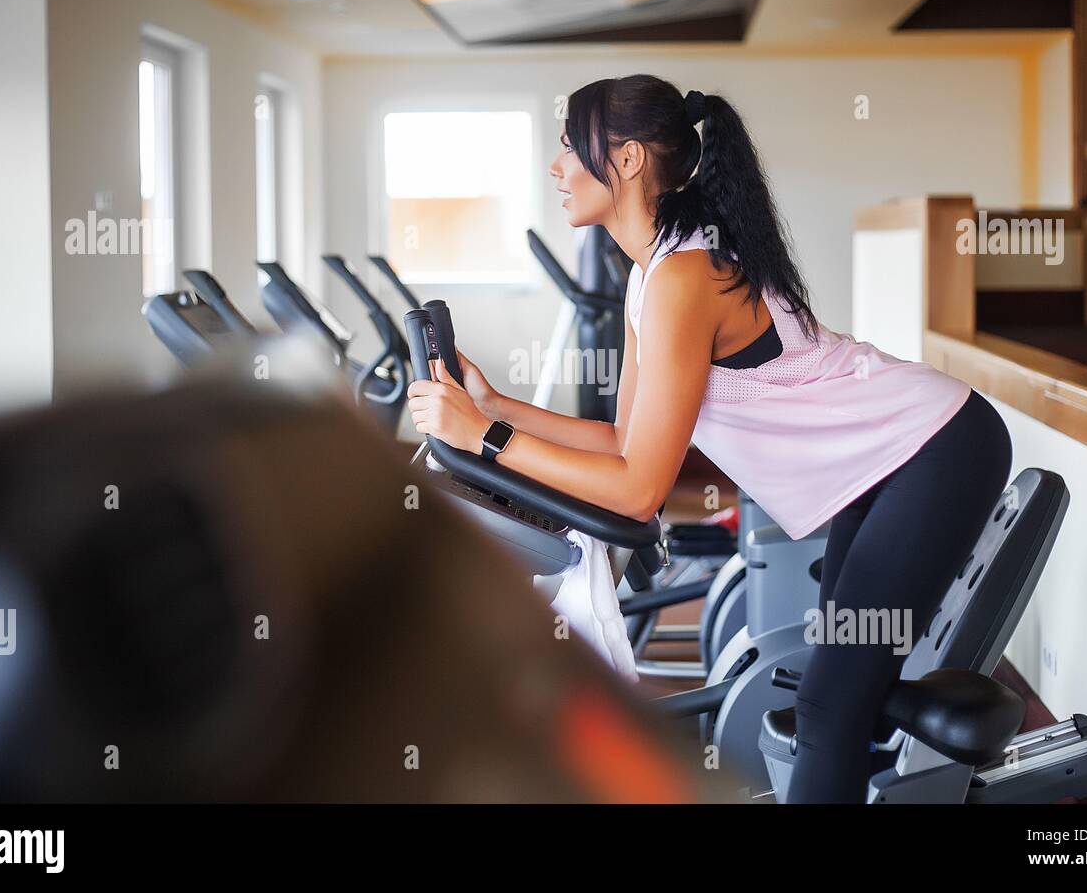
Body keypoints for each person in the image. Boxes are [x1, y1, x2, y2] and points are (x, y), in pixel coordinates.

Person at [406, 74, 1012, 802]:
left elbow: (639, 488)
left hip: (934, 451)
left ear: (626, 160)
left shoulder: (684, 276)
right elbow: (621, 438)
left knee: (829, 707)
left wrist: (485, 440)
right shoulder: (654, 273)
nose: (555, 166)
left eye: (569, 146)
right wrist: (492, 407)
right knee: (840, 692)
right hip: (877, 473)